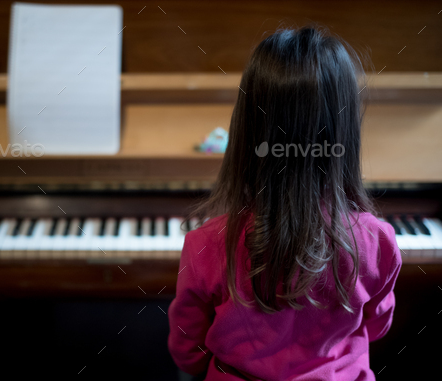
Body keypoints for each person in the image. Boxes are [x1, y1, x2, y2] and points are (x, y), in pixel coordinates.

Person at [168, 26, 401, 381]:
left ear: (246, 127)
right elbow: (379, 326)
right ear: (345, 132)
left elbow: (186, 347)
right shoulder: (378, 241)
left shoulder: (204, 244)